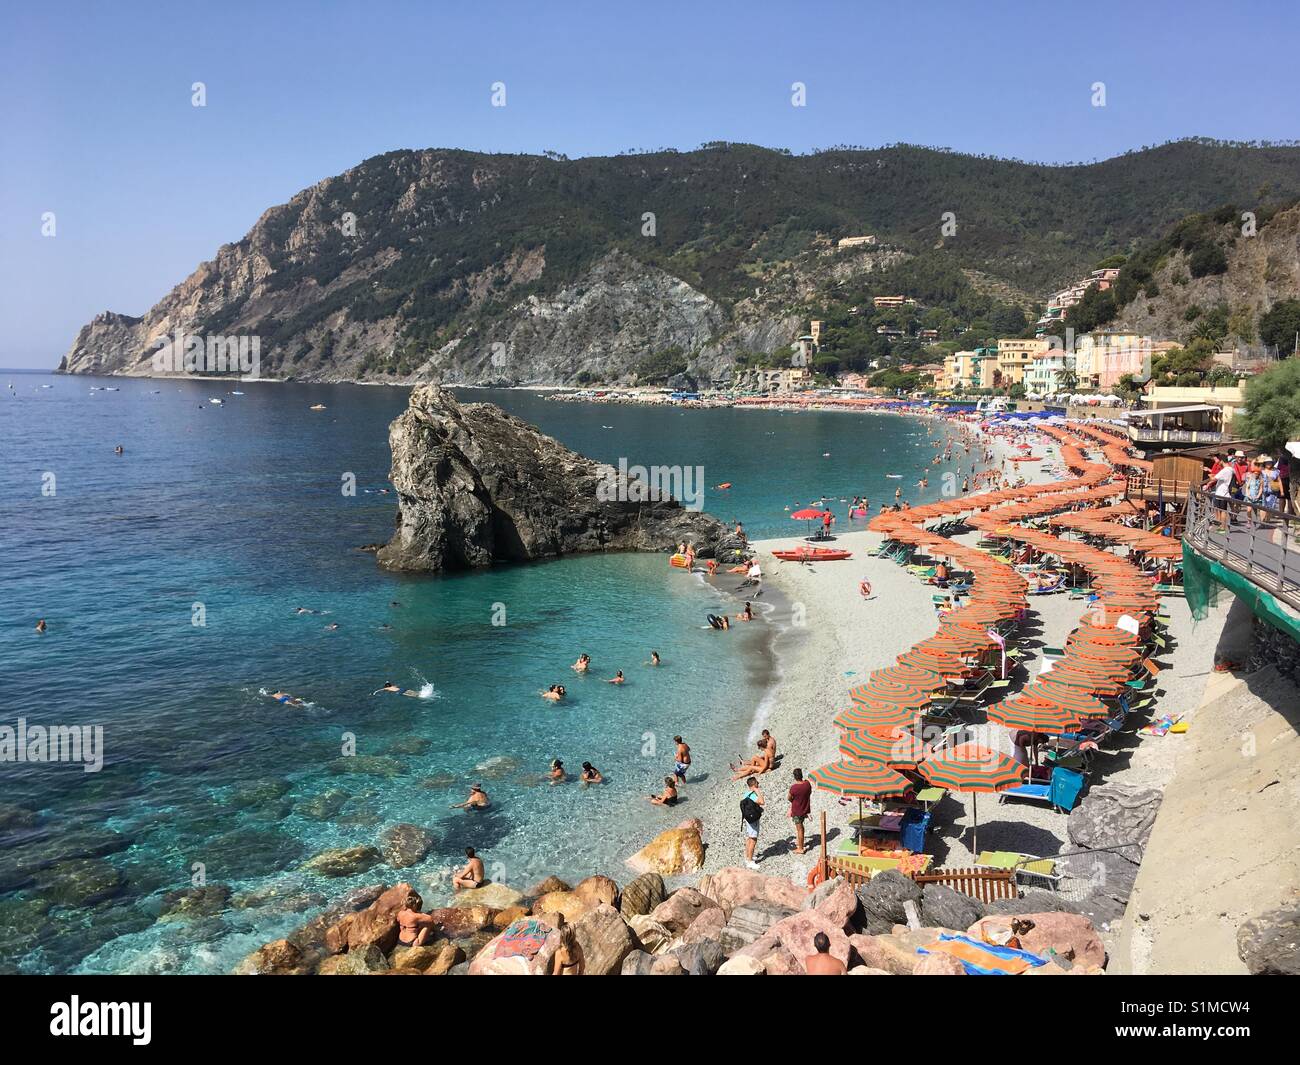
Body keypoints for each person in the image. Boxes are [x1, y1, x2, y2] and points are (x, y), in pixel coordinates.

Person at [740, 777, 765, 869]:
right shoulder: (753, 795)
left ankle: (748, 857)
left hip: (748, 819)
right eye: (757, 782)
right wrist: (757, 791)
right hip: (753, 820)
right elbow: (762, 802)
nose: (758, 783)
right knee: (753, 840)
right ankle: (750, 861)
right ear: (754, 784)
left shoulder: (746, 794)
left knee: (749, 838)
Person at [788, 768, 812, 855]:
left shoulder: (794, 788)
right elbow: (810, 792)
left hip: (797, 811)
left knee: (799, 829)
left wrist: (794, 801)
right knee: (801, 827)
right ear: (801, 775)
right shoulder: (807, 784)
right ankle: (800, 843)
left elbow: (789, 798)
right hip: (805, 808)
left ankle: (801, 848)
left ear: (794, 777)